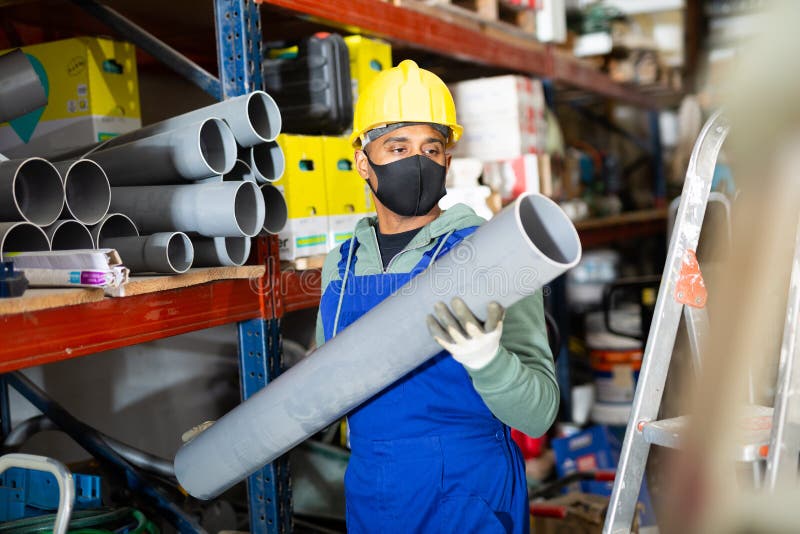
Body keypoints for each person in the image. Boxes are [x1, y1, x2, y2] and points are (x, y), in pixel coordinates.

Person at [315, 59, 558, 533]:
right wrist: (239, 434)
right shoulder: (340, 265)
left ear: (447, 160)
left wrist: (489, 361)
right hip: (373, 496)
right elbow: (323, 396)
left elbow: (539, 414)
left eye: (432, 148)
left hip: (469, 495)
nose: (418, 161)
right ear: (363, 162)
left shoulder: (493, 252)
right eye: (398, 147)